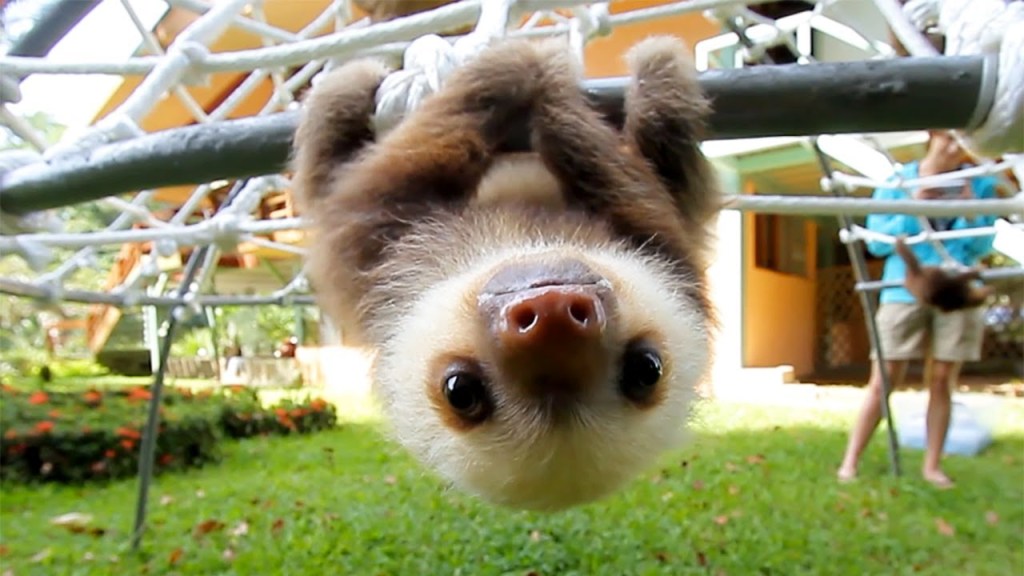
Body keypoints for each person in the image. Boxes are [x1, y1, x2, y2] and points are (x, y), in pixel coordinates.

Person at [836, 131, 1001, 489]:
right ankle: (850, 462)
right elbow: (879, 241)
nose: (956, 147)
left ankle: (932, 466)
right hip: (904, 289)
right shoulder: (898, 181)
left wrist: (969, 211)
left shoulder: (980, 183)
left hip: (955, 292)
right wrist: (918, 202)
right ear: (933, 136)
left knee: (942, 379)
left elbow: (982, 245)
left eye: (963, 141)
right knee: (884, 378)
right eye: (950, 138)